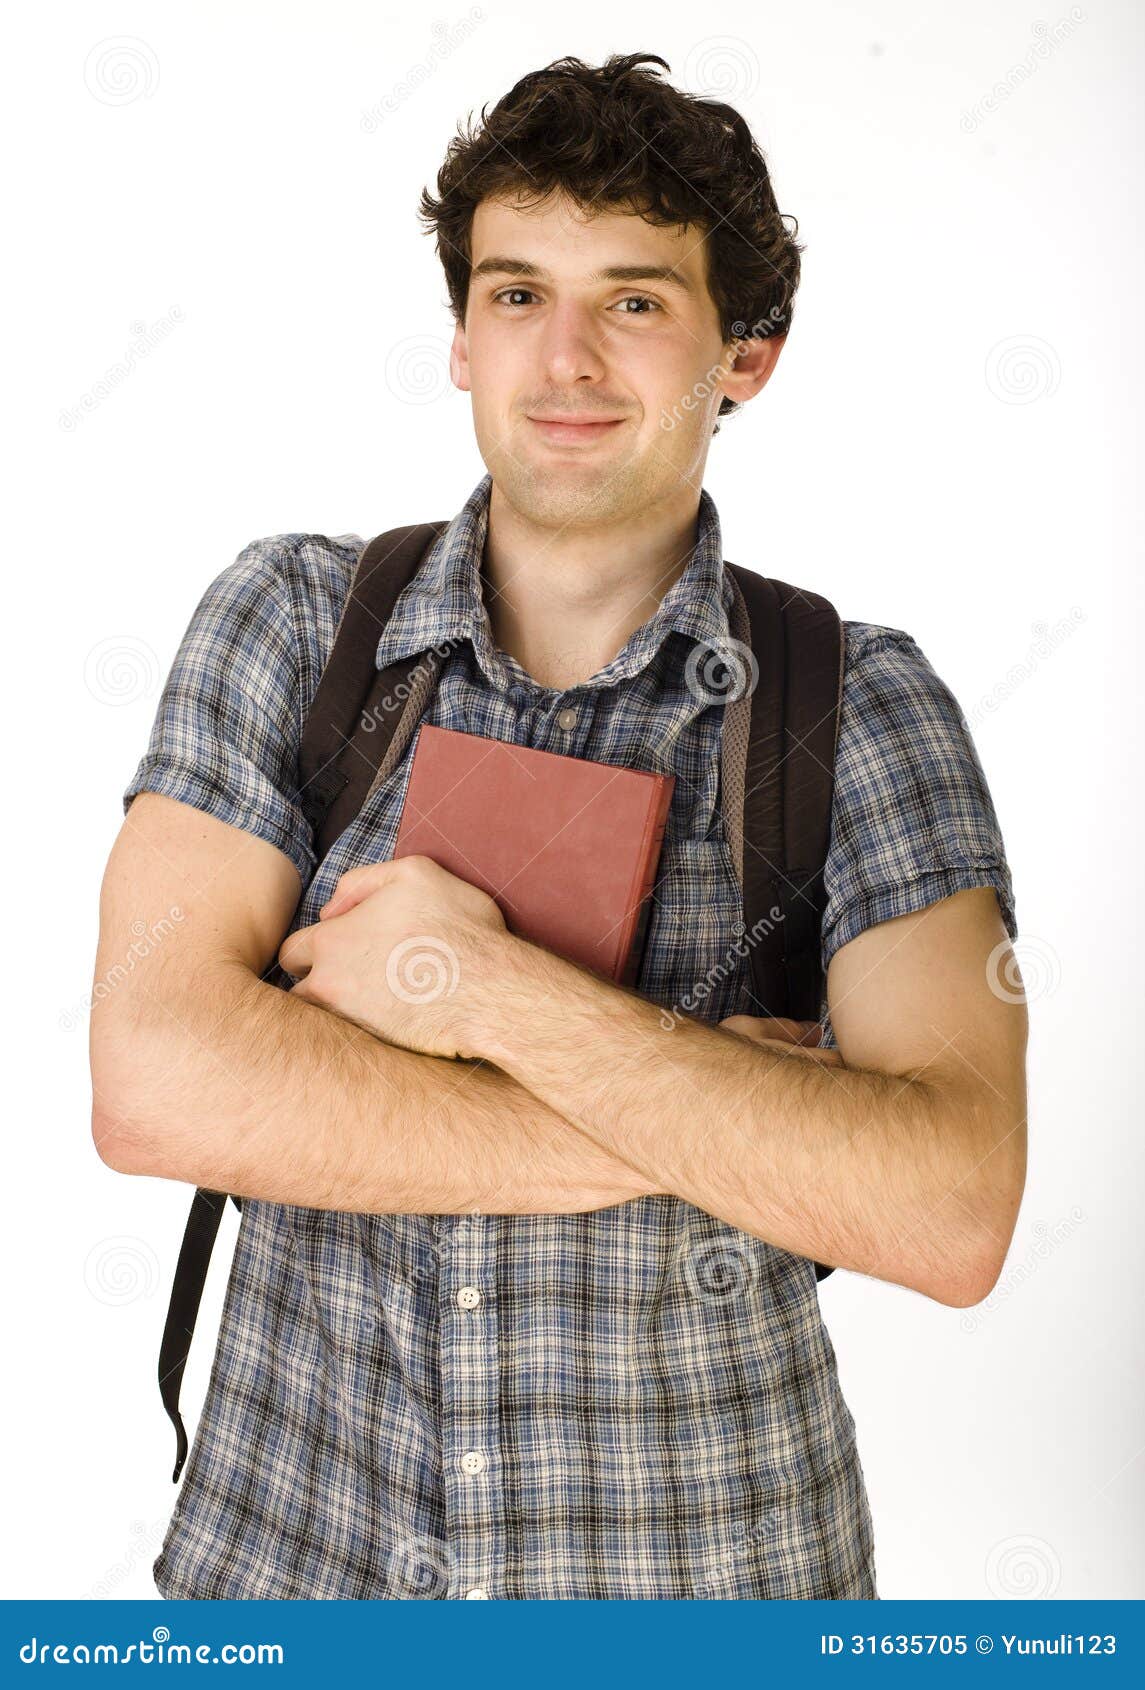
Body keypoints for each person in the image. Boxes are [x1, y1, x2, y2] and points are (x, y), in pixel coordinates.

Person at [89, 52, 1027, 1600]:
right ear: (460, 336)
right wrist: (713, 1125)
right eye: (517, 293)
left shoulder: (855, 704)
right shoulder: (293, 623)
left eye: (638, 301)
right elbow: (152, 1081)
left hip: (709, 1596)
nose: (567, 356)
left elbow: (948, 1207)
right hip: (292, 1576)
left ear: (748, 354)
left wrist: (480, 992)